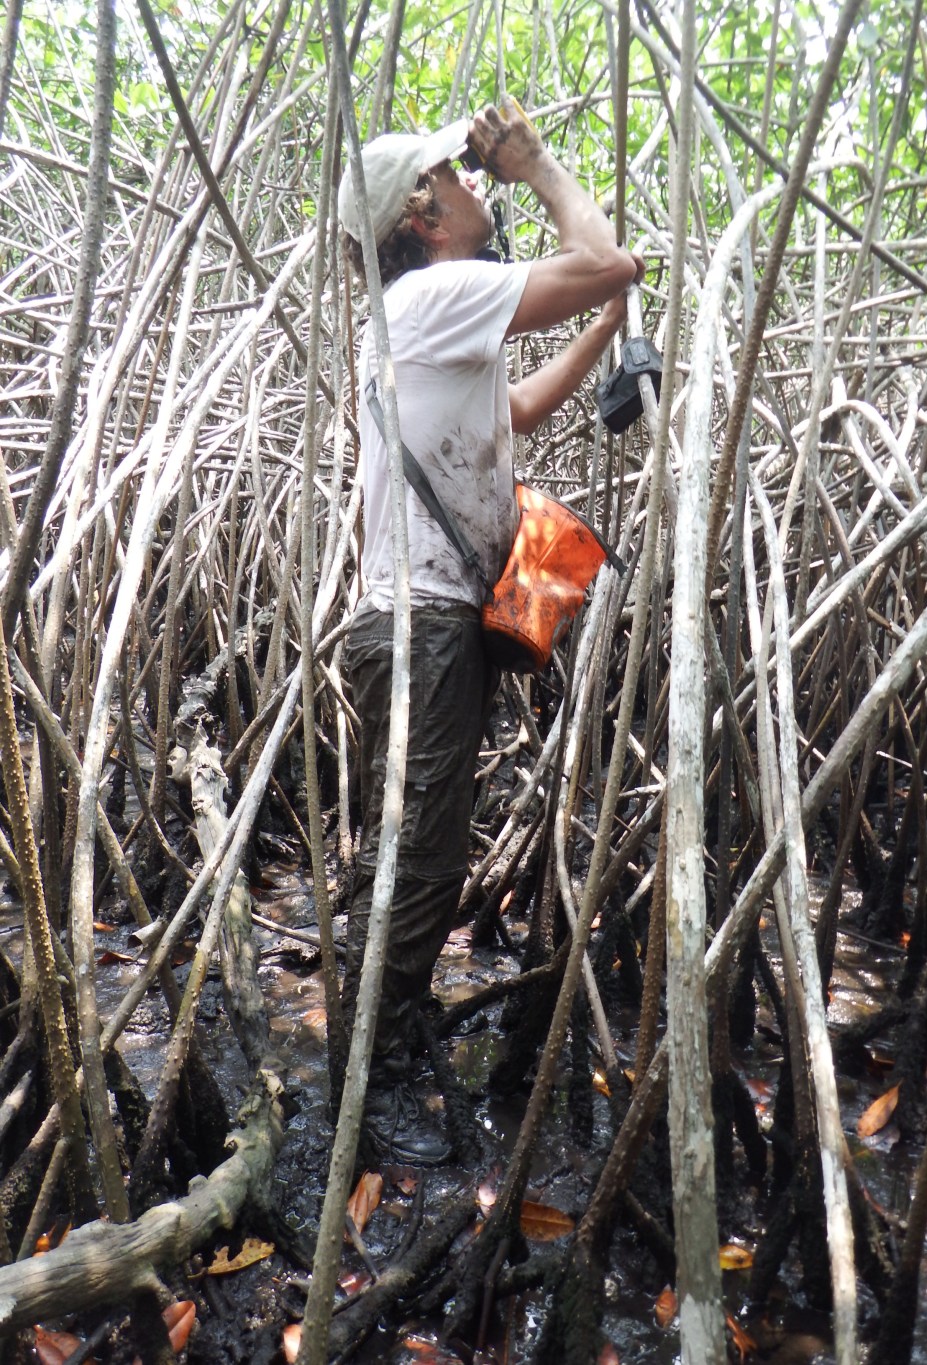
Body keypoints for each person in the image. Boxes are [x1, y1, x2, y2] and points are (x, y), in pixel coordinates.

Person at [337, 98, 642, 1164]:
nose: (480, 187)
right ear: (422, 217)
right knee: (423, 859)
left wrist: (605, 333)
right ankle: (364, 1083)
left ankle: (385, 1023)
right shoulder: (430, 298)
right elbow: (599, 258)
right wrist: (541, 164)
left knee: (418, 843)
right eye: (460, 177)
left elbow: (512, 414)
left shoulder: (421, 319)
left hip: (420, 623)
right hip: (417, 625)